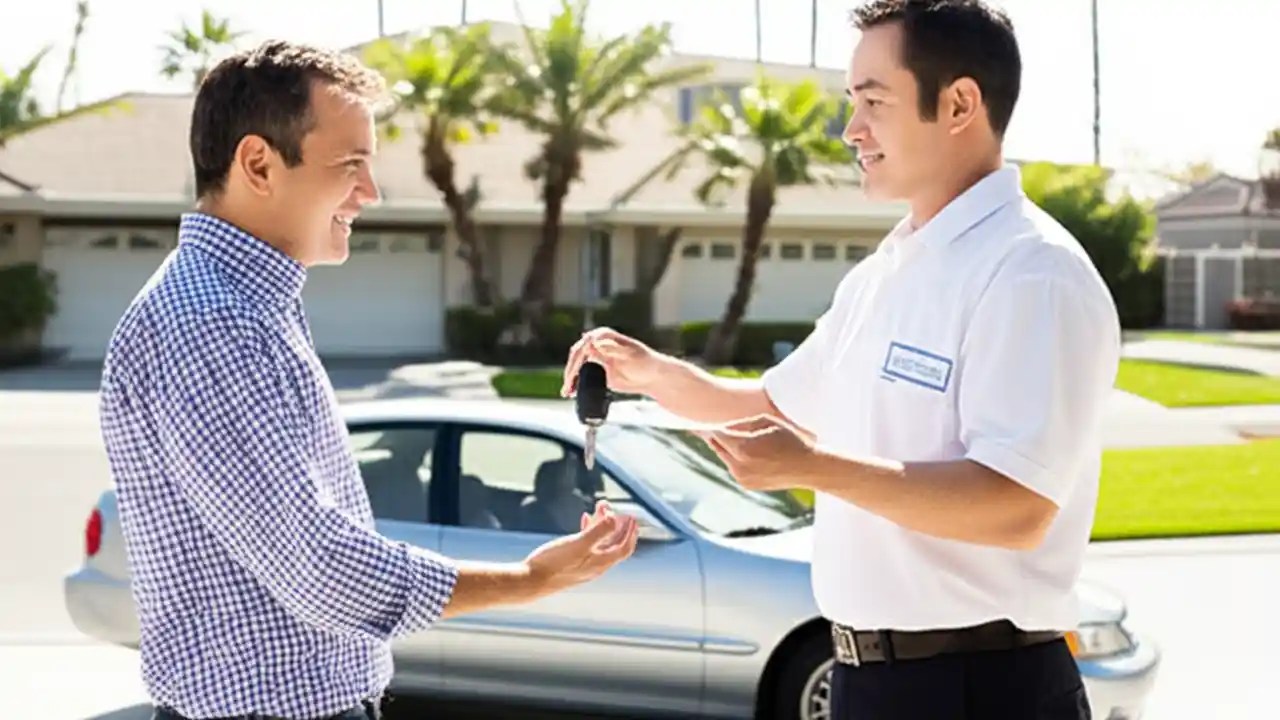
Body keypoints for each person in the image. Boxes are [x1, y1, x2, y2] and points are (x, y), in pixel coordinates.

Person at [562, 1, 1119, 718]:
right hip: (866, 681)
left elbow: (1015, 507)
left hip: (980, 687)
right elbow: (771, 409)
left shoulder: (1032, 274)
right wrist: (656, 377)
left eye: (873, 102)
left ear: (958, 104)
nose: (851, 130)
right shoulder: (886, 272)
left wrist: (813, 468)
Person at [98, 40, 637, 720]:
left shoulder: (244, 306)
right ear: (258, 164)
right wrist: (531, 579)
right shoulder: (214, 325)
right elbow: (319, 566)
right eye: (351, 164)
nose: (371, 192)